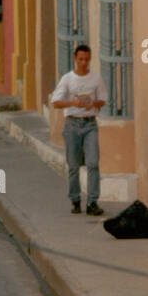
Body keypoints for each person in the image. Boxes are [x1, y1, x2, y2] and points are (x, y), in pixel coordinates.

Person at [49, 44, 108, 215]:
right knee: (73, 165)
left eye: (87, 59)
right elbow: (56, 102)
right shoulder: (67, 79)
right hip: (72, 124)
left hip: (90, 124)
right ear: (75, 58)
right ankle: (75, 200)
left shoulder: (96, 78)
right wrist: (73, 103)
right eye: (80, 59)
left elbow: (102, 99)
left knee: (92, 163)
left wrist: (93, 104)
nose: (83, 63)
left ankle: (92, 202)